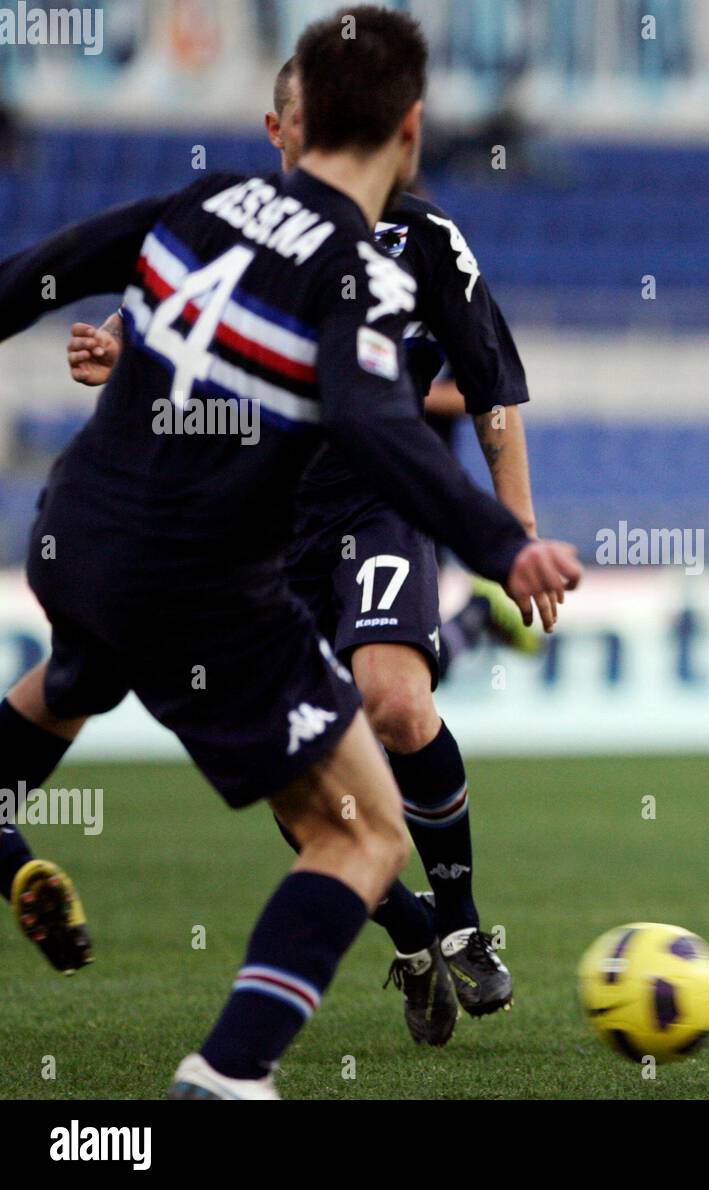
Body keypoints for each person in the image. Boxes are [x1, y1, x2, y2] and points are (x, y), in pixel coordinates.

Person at [0, 5, 579, 1099]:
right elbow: (374, 419)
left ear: (296, 119)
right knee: (359, 829)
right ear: (411, 128)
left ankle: (442, 935)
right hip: (218, 567)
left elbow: (35, 271)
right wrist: (505, 543)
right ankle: (229, 1075)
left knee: (105, 691)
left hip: (80, 534)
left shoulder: (204, 200)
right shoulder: (355, 268)